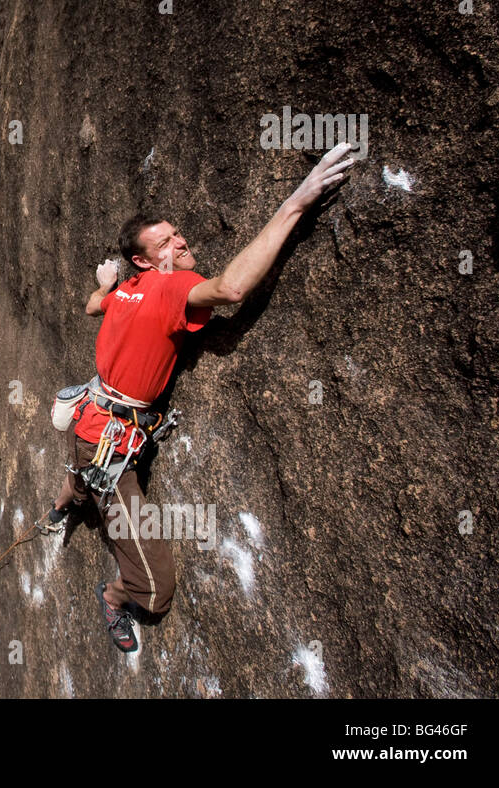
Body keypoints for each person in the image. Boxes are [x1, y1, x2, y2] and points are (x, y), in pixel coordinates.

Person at [45, 143, 359, 653]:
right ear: (144, 261)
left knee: (81, 472)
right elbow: (233, 289)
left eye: (176, 234)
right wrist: (297, 202)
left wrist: (104, 285)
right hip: (108, 438)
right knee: (156, 588)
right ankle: (113, 595)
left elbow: (90, 306)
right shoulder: (168, 288)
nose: (179, 244)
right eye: (165, 244)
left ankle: (61, 508)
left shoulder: (124, 290)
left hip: (91, 421)